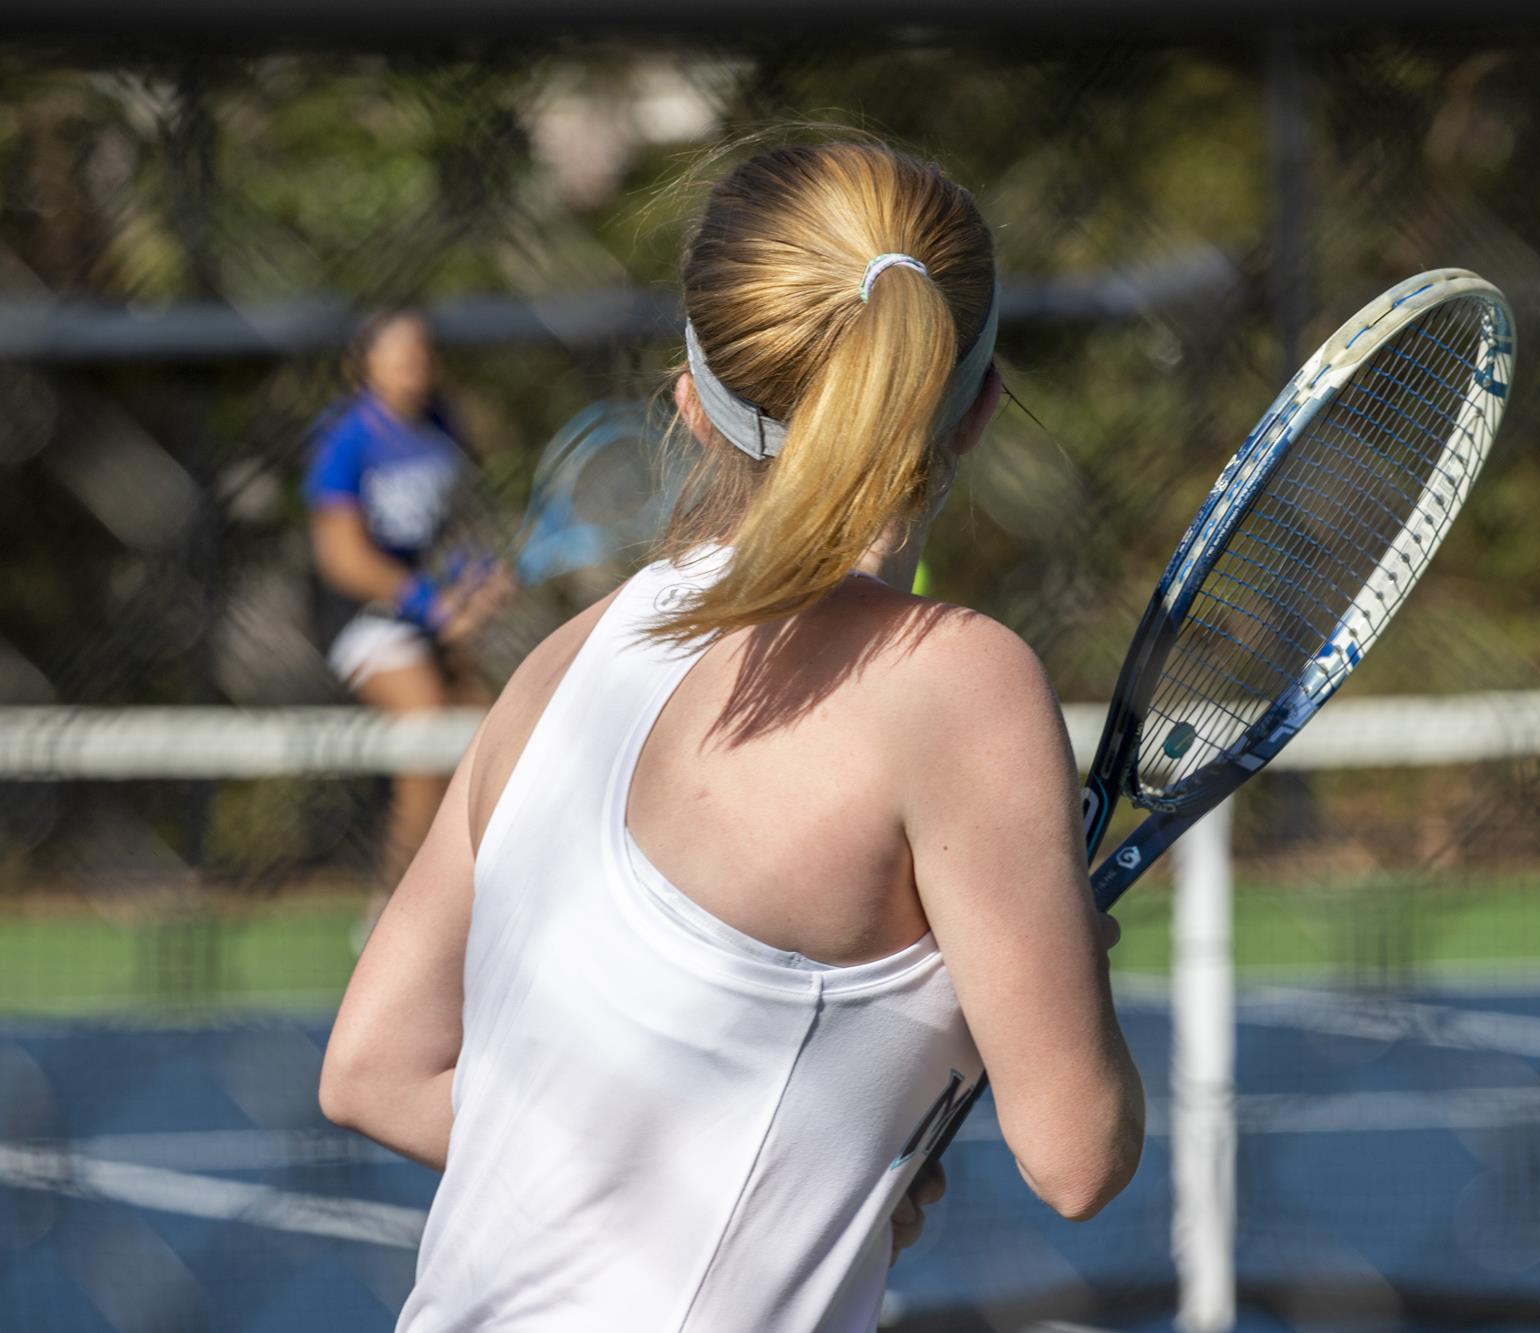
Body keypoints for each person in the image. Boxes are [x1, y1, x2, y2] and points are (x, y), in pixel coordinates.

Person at [319, 139, 1145, 1331]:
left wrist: (772, 1179)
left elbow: (372, 1069)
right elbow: (1076, 1155)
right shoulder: (960, 682)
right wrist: (1069, 970)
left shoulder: (570, 660)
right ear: (975, 409)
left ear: (689, 401)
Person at [302, 311, 511, 942]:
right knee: (424, 728)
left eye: (420, 352)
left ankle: (486, 900)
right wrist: (427, 603)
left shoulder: (442, 427)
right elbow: (341, 557)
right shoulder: (346, 439)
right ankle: (391, 915)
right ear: (362, 363)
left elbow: (449, 532)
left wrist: (478, 579)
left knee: (495, 740)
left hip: (430, 614)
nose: (411, 365)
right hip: (363, 618)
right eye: (396, 353)